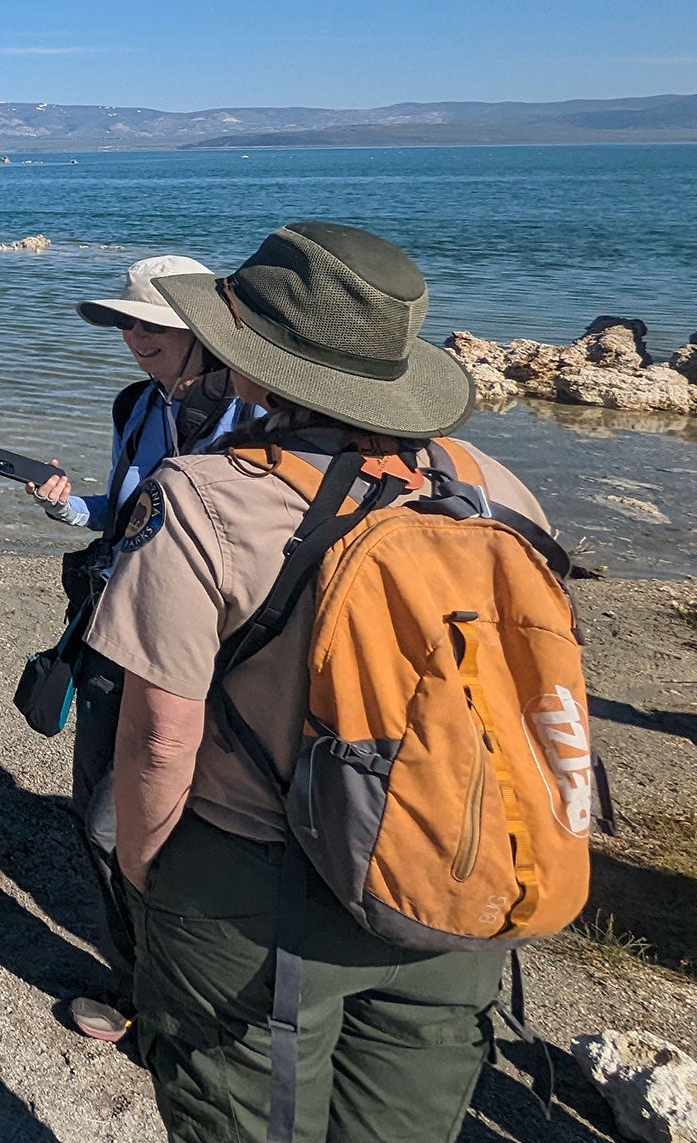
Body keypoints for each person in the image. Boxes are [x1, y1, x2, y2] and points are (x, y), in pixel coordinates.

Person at [90, 223, 546, 1142]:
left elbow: (159, 737)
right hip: (454, 866)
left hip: (256, 878)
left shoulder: (204, 498)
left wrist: (143, 867)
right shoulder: (492, 485)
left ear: (249, 359)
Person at [18, 253, 254, 1044]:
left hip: (204, 655)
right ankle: (138, 980)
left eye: (152, 324)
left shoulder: (254, 420)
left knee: (118, 828)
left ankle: (167, 997)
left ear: (202, 331)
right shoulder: (138, 404)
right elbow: (126, 516)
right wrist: (64, 507)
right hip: (113, 633)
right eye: (125, 321)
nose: (134, 336)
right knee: (96, 809)